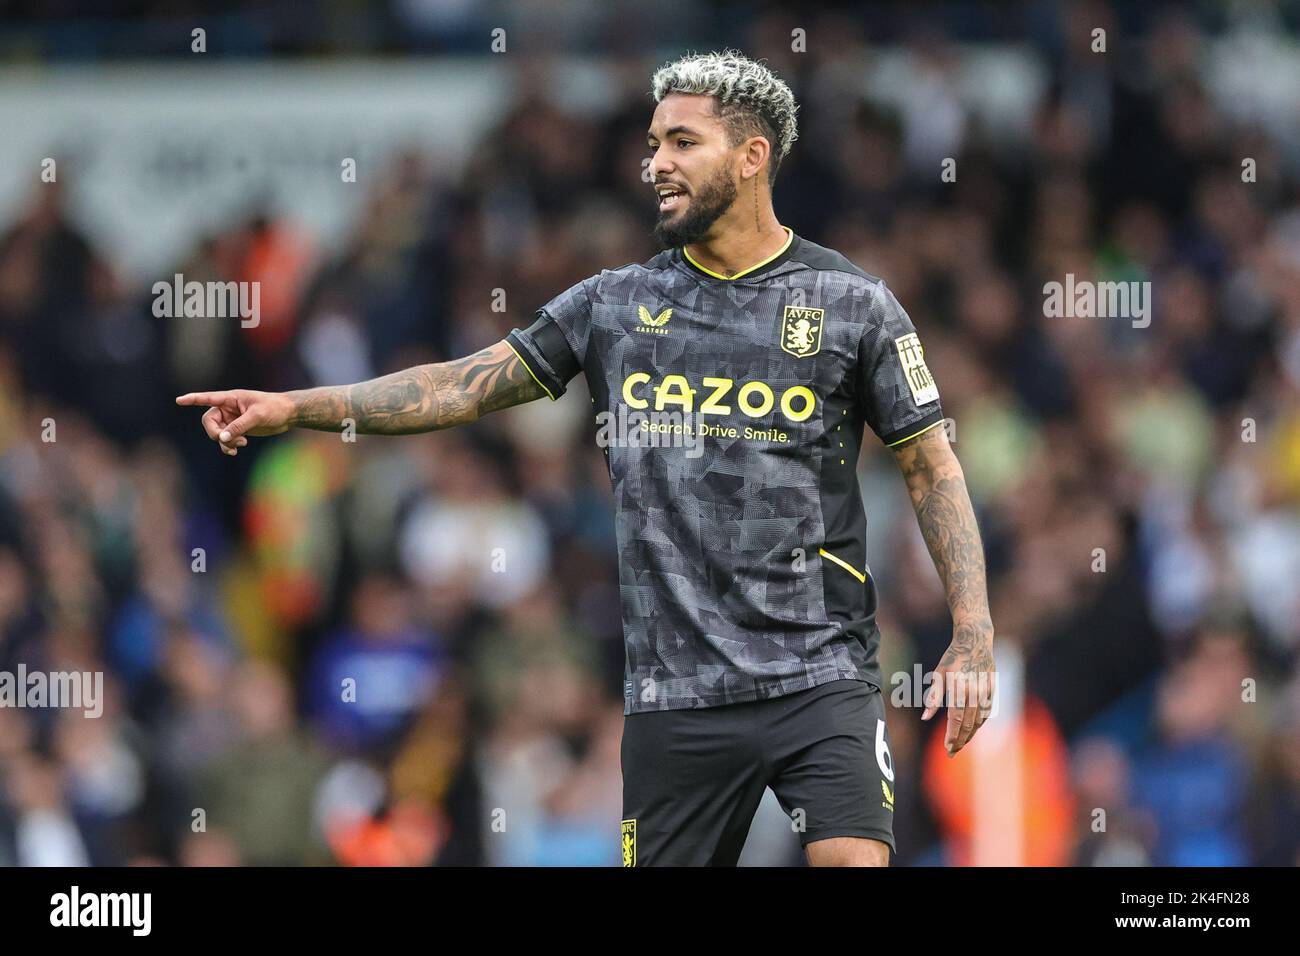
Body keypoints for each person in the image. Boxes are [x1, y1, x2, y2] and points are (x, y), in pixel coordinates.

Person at [177, 48, 996, 867]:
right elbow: (460, 387)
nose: (656, 164)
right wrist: (298, 408)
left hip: (820, 675)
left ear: (753, 158)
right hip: (675, 698)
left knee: (853, 860)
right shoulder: (615, 304)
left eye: (682, 142)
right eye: (652, 143)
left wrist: (973, 630)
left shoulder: (851, 303)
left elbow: (932, 467)